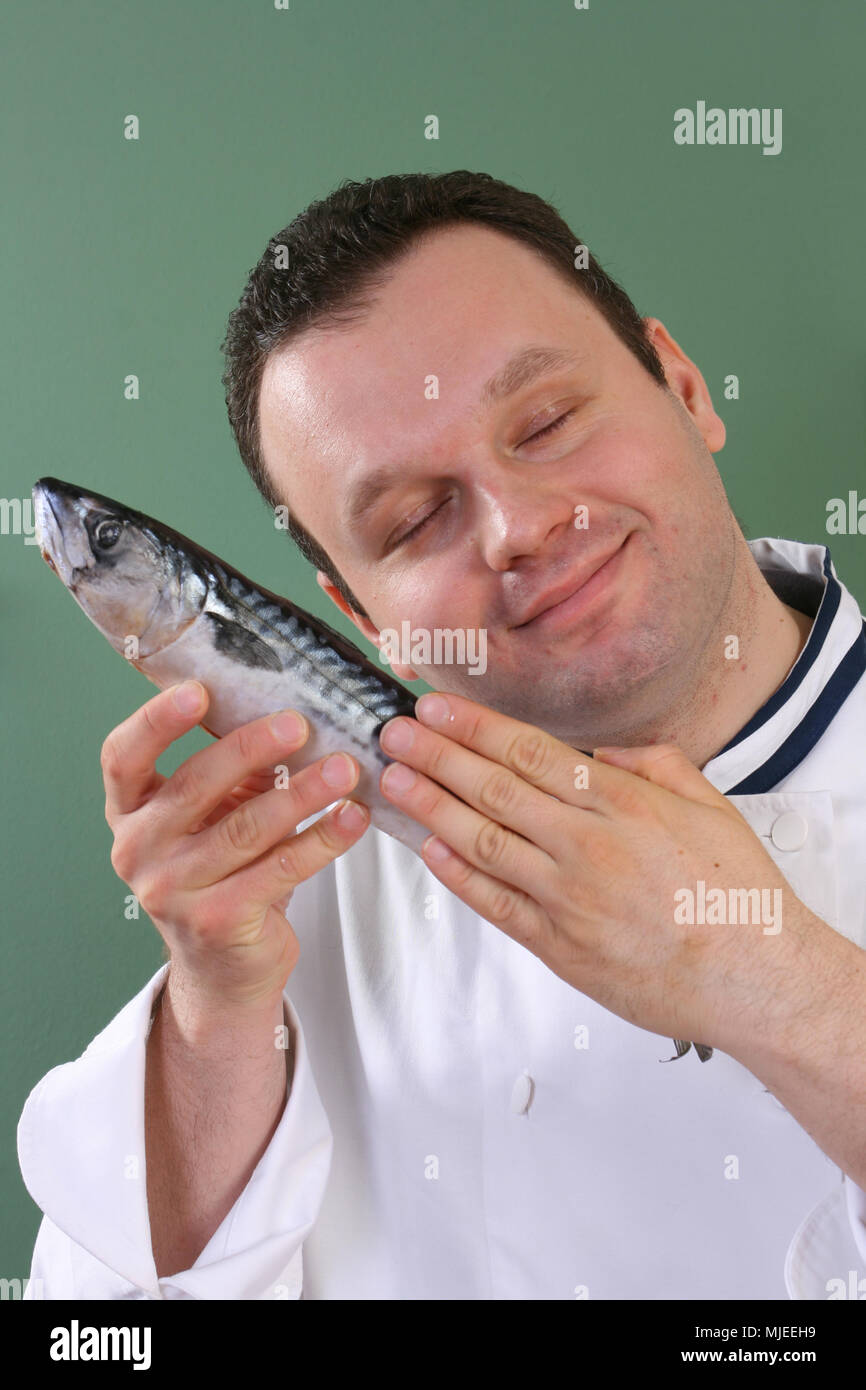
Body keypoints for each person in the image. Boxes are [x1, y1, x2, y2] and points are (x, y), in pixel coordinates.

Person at [18, 172, 866, 1299]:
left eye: (549, 420)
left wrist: (769, 979)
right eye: (414, 520)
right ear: (362, 618)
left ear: (681, 384)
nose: (519, 527)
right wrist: (216, 1017)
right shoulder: (297, 887)